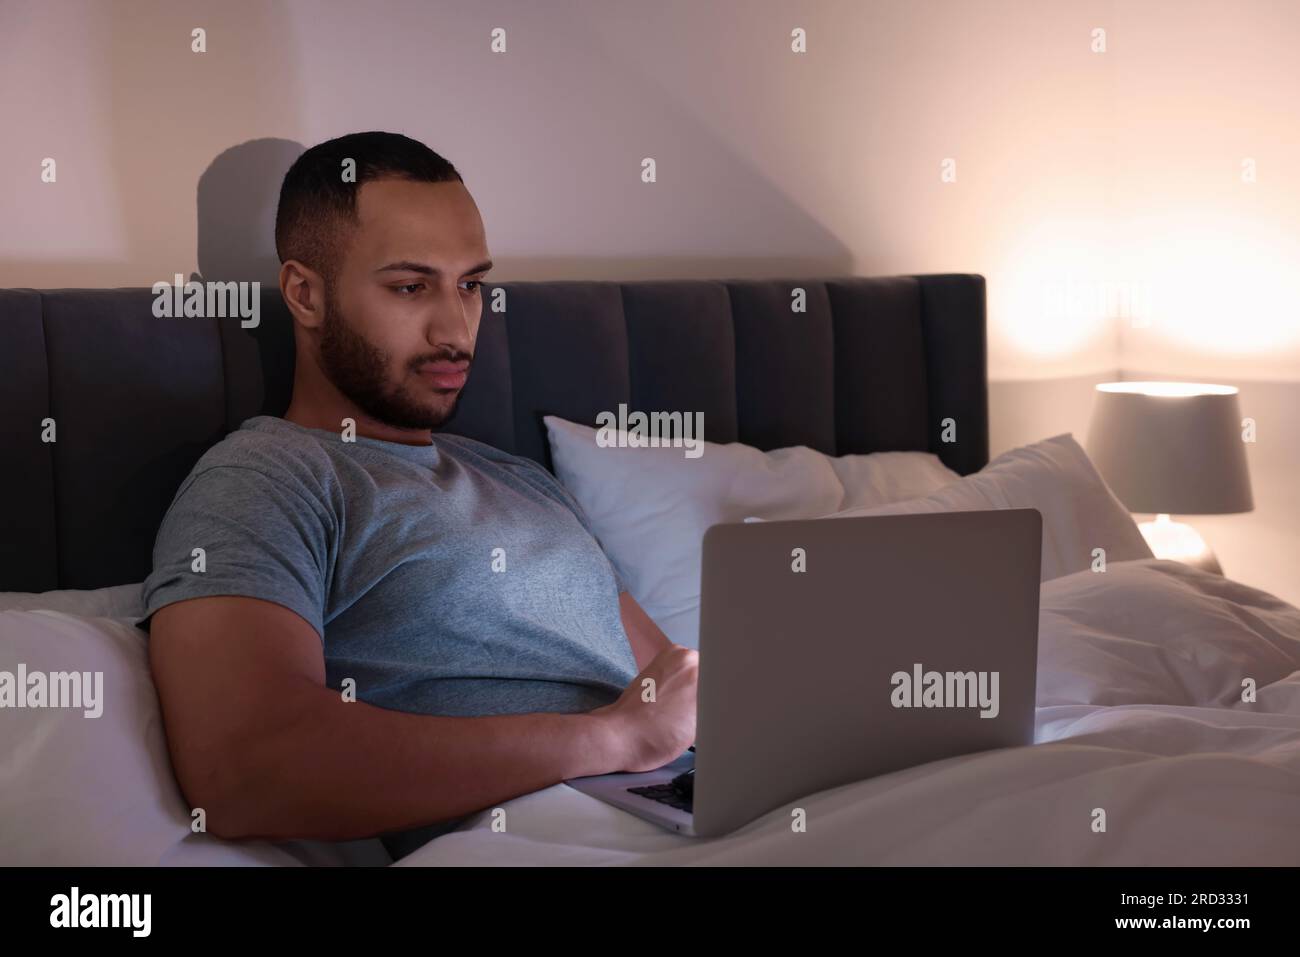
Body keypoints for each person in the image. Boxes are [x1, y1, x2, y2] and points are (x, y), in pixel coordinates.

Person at [139, 131, 698, 860]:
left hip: (686, 810)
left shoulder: (523, 480)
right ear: (305, 294)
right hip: (547, 839)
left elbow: (667, 691)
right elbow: (244, 767)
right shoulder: (266, 478)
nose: (456, 330)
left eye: (470, 285)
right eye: (410, 287)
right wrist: (612, 739)